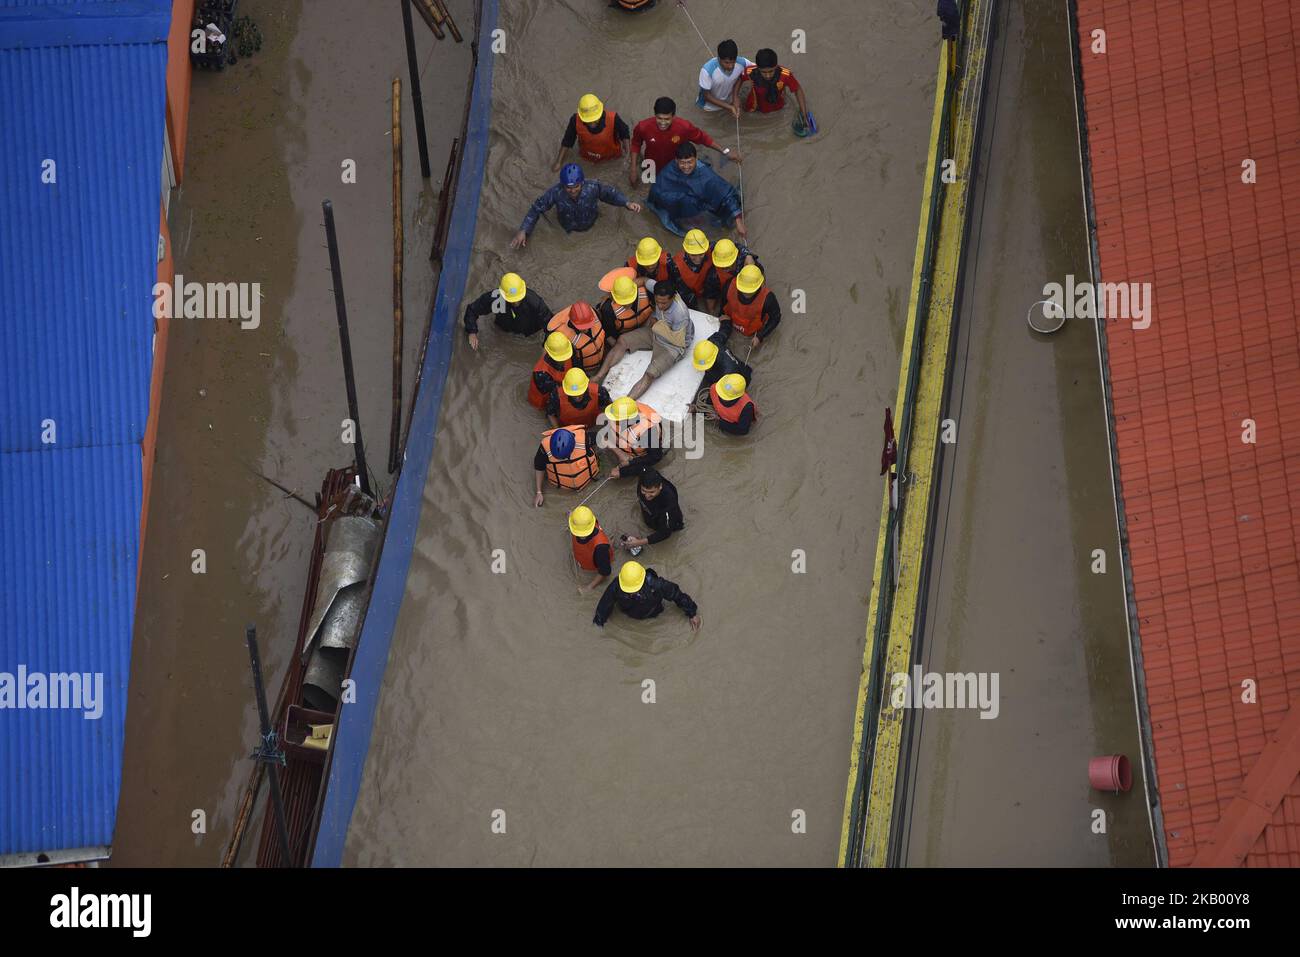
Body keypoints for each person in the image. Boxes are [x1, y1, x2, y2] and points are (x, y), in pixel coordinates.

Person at [595, 279, 694, 401]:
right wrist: (615, 295)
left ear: (673, 298)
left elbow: (679, 340)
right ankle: (599, 376)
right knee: (623, 340)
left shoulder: (680, 314)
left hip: (674, 344)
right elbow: (643, 280)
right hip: (657, 330)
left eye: (664, 303)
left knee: (650, 374)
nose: (660, 306)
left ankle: (626, 403)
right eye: (657, 302)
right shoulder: (657, 289)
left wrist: (656, 325)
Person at [514, 164, 641, 248]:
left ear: (582, 182)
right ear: (563, 185)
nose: (573, 190)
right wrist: (524, 230)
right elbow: (536, 208)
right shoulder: (555, 192)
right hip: (566, 227)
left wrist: (627, 203)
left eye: (576, 187)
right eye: (569, 188)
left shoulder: (593, 187)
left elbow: (611, 194)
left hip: (591, 223)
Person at [628, 96, 740, 186]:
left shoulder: (684, 127)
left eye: (667, 119)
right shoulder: (643, 127)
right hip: (650, 165)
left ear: (673, 116)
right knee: (647, 188)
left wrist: (725, 151)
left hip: (675, 165)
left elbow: (703, 138)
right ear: (655, 115)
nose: (663, 122)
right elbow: (635, 144)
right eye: (659, 118)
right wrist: (633, 168)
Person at [647, 142, 746, 239]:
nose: (686, 167)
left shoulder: (705, 174)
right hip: (685, 208)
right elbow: (657, 190)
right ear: (676, 160)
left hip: (701, 207)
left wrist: (738, 222)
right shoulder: (669, 171)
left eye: (690, 162)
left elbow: (725, 194)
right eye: (682, 163)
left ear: (696, 159)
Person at [594, 560, 701, 632]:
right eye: (628, 590)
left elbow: (676, 594)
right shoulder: (617, 584)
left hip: (653, 612)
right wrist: (599, 622)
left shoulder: (656, 585)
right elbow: (605, 602)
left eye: (633, 590)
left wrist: (692, 613)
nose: (631, 593)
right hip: (629, 612)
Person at [462, 272, 551, 351]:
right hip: (503, 329)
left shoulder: (535, 302)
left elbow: (550, 324)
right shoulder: (496, 298)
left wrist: (546, 347)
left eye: (517, 299)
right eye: (511, 300)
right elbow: (472, 310)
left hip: (530, 333)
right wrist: (472, 332)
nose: (515, 302)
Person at [737, 48, 811, 130]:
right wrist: (735, 97)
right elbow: (739, 80)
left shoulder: (785, 74)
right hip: (755, 109)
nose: (768, 76)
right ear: (757, 68)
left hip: (778, 108)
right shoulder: (749, 71)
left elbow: (797, 90)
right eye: (764, 72)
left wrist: (804, 114)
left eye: (771, 71)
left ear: (776, 66)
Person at [553, 94, 630, 170]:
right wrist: (558, 162)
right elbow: (567, 141)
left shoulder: (613, 118)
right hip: (587, 159)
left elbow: (625, 134)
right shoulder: (575, 120)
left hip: (612, 160)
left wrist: (628, 155)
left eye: (595, 120)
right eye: (589, 121)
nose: (592, 124)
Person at [618, 468, 684, 550]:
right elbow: (639, 466)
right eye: (643, 490)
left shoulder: (669, 502)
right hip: (650, 515)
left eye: (652, 492)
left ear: (660, 487)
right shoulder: (644, 474)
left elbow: (665, 533)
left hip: (668, 524)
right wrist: (620, 471)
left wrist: (639, 542)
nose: (647, 496)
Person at [533, 426, 598, 506]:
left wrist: (618, 461)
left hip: (590, 481)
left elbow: (605, 438)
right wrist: (539, 492)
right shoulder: (544, 448)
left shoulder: (584, 438)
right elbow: (539, 468)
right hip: (563, 488)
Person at [603, 395, 664, 479]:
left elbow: (655, 457)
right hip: (624, 447)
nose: (613, 420)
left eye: (616, 419)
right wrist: (620, 453)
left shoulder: (648, 431)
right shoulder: (619, 410)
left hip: (641, 455)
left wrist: (628, 466)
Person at [721, 263, 780, 351]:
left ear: (760, 285)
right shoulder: (729, 285)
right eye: (743, 289)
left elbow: (776, 318)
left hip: (752, 332)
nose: (746, 293)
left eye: (750, 290)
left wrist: (760, 336)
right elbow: (723, 302)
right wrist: (721, 315)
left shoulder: (768, 299)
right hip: (730, 322)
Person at [546, 300, 607, 372]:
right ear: (572, 322)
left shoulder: (591, 313)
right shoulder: (560, 335)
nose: (586, 329)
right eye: (582, 327)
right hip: (582, 369)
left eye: (588, 325)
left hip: (602, 358)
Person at [703, 237, 762, 309]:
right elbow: (710, 294)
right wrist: (711, 313)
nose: (725, 268)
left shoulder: (746, 260)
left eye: (727, 266)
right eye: (722, 266)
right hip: (728, 295)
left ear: (736, 256)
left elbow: (760, 278)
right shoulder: (713, 276)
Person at [697, 39, 753, 115]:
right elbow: (706, 96)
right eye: (726, 62)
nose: (731, 66)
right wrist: (729, 107)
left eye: (733, 61)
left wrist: (735, 97)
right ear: (719, 58)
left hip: (730, 102)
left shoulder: (743, 63)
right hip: (708, 108)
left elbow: (759, 68)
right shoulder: (707, 70)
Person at [547, 368, 611, 429]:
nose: (577, 397)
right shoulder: (556, 396)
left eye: (580, 392)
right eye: (572, 394)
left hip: (591, 425)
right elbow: (551, 414)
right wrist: (558, 430)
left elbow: (609, 407)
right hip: (568, 429)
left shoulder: (599, 392)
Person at [568, 505, 613, 594]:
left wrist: (589, 587)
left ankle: (611, 545)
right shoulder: (583, 522)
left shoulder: (600, 548)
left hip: (592, 567)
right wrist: (571, 516)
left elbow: (605, 572)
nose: (581, 535)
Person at [597, 274, 654, 339]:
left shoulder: (647, 292)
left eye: (629, 300)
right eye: (623, 301)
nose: (627, 304)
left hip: (647, 326)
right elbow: (609, 333)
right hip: (625, 336)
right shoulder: (607, 308)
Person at [528, 331, 574, 409]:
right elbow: (560, 393)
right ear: (550, 354)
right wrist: (575, 387)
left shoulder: (566, 350)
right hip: (541, 402)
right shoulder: (541, 374)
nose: (564, 359)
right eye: (561, 357)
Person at [672, 229, 712, 311]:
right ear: (686, 250)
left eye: (701, 254)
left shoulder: (711, 249)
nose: (698, 259)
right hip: (688, 292)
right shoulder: (675, 265)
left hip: (705, 287)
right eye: (693, 255)